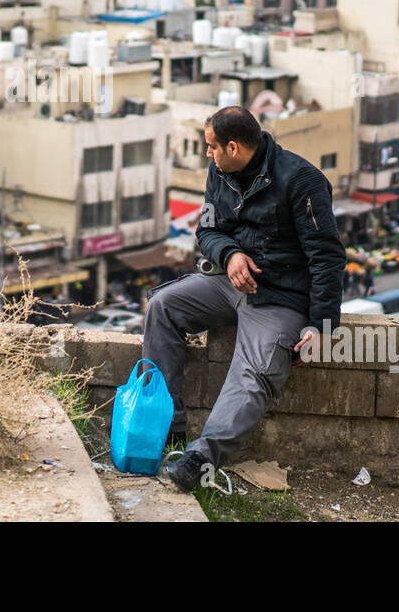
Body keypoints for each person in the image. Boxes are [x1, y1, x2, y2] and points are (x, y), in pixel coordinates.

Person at [145, 106, 345, 493]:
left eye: (211, 147)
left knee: (255, 371)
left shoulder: (302, 180)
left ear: (233, 147)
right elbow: (207, 229)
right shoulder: (219, 171)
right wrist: (230, 255)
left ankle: (201, 459)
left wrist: (321, 326)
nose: (208, 154)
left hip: (279, 297)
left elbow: (327, 257)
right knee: (162, 306)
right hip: (228, 282)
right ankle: (168, 428)